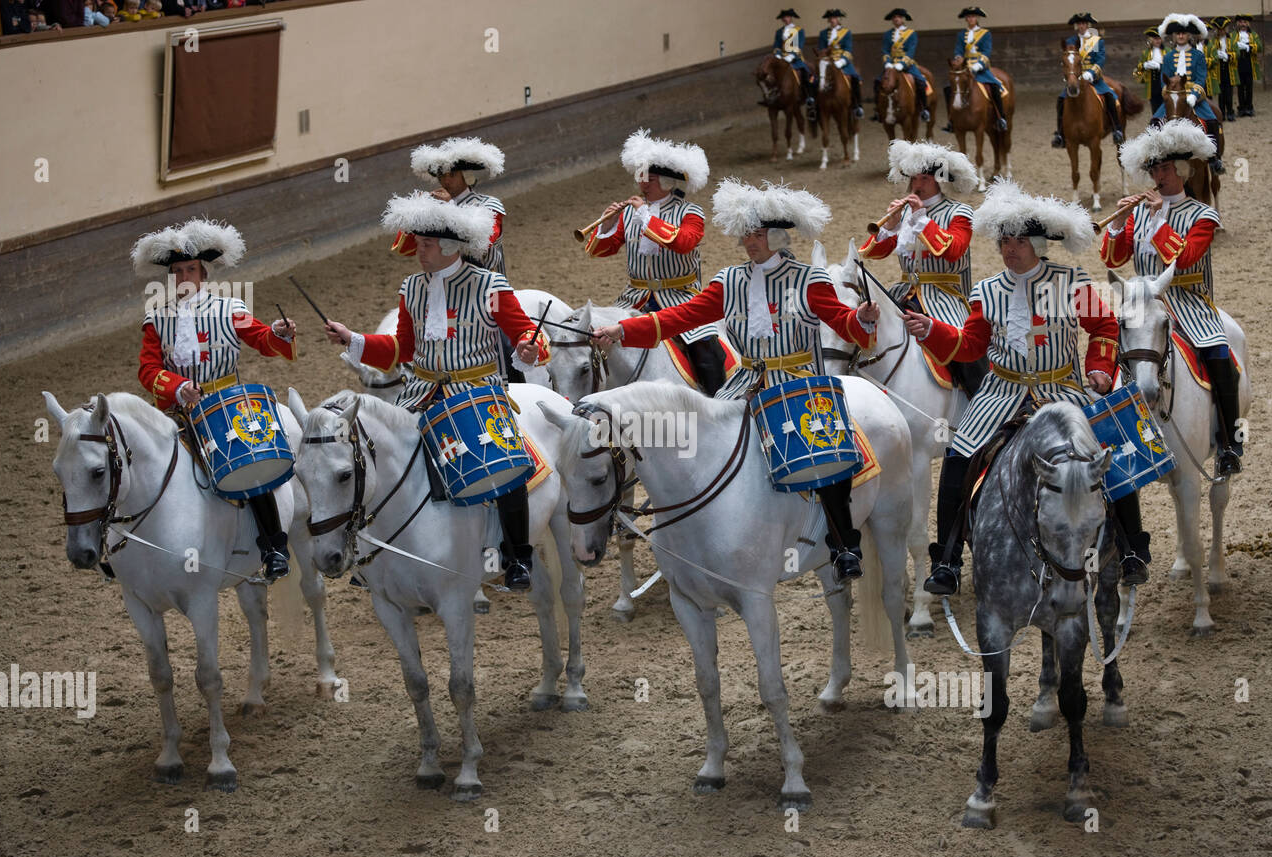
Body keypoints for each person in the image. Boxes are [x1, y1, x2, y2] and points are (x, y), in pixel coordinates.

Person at [590, 180, 878, 580]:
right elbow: (681, 316)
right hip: (745, 378)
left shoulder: (809, 280)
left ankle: (845, 544)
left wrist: (861, 319)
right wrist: (623, 331)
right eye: (746, 234)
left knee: (823, 451)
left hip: (798, 379)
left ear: (777, 235)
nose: (750, 242)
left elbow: (844, 325)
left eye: (758, 234)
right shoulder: (729, 281)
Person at [900, 180, 1149, 594]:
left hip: (1061, 388)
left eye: (1018, 241)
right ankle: (946, 560)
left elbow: (1104, 326)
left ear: (1037, 243)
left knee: (1110, 443)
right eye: (1004, 241)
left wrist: (1101, 368)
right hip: (1002, 391)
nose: (1009, 249)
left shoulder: (1073, 282)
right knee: (960, 453)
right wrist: (930, 329)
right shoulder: (986, 291)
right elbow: (970, 345)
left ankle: (1131, 548)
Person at [321, 192, 550, 591]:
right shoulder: (412, 288)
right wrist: (353, 339)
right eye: (418, 243)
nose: (418, 251)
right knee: (381, 454)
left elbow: (527, 332)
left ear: (448, 246)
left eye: (425, 245)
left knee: (504, 463)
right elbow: (401, 350)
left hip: (476, 390)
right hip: (422, 390)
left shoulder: (489, 285)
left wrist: (531, 346)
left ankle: (518, 557)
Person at [132, 218, 297, 582]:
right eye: (177, 271)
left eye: (190, 269)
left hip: (225, 406)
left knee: (250, 461)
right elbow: (147, 370)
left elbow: (262, 340)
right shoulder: (156, 318)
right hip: (177, 412)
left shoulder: (229, 309)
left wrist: (278, 332)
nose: (184, 276)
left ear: (203, 274)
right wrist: (177, 387)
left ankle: (274, 547)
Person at [1104, 119, 1242, 477]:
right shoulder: (1136, 213)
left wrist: (1158, 217)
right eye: (1154, 169)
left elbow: (1184, 258)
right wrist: (1118, 224)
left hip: (1189, 302)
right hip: (1145, 299)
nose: (1158, 175)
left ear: (1181, 170)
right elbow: (1113, 260)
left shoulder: (1203, 215)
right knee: (1115, 346)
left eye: (1165, 168)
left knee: (1217, 351)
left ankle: (1230, 442)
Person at [584, 129, 727, 398]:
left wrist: (645, 217)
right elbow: (599, 251)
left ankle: (717, 399)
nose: (643, 183)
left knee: (704, 348)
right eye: (642, 177)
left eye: (649, 178)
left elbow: (684, 242)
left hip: (680, 296)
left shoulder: (690, 212)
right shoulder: (629, 212)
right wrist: (608, 225)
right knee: (595, 341)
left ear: (667, 180)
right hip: (634, 296)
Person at [859, 140, 987, 397]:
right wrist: (891, 226)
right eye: (914, 177)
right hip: (903, 292)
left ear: (939, 180)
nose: (917, 183)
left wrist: (921, 219)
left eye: (924, 178)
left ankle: (981, 398)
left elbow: (953, 250)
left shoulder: (959, 212)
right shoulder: (904, 214)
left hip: (945, 296)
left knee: (967, 348)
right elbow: (871, 252)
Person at [407, 137, 519, 378]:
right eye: (441, 176)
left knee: (502, 338)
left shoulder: (490, 206)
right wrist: (416, 215)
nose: (445, 181)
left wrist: (450, 209)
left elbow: (481, 241)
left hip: (489, 290)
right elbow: (406, 246)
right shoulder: (434, 207)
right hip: (443, 288)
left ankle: (517, 381)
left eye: (451, 175)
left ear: (466, 176)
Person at [1154, 14, 1225, 173]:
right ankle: (1154, 158)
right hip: (1174, 97)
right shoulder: (1168, 57)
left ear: (1189, 35)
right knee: (1154, 121)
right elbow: (1163, 82)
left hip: (1195, 97)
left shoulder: (1198, 55)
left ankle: (1215, 159)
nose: (1180, 36)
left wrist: (1193, 95)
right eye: (1178, 33)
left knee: (1212, 121)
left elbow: (1201, 79)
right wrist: (1169, 95)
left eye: (1184, 33)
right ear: (1173, 35)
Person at [1053, 13, 1124, 147]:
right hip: (1075, 79)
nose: (1082, 26)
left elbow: (1100, 59)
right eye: (1079, 24)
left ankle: (1117, 130)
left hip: (1093, 79)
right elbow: (1067, 59)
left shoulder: (1096, 41)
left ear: (1088, 25)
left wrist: (1091, 73)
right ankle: (1060, 134)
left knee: (1110, 97)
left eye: (1084, 23)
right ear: (1076, 26)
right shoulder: (1069, 42)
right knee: (1061, 100)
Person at [942, 6, 1007, 133]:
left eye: (973, 16)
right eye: (969, 16)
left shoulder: (985, 34)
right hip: (964, 68)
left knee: (994, 87)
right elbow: (958, 50)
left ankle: (1001, 119)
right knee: (948, 88)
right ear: (966, 19)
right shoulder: (961, 34)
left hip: (980, 68)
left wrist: (977, 66)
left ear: (977, 18)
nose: (971, 18)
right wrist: (958, 58)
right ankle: (951, 120)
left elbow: (986, 52)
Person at [874, 8, 931, 123]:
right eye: (894, 17)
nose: (896, 19)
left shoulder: (911, 34)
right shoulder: (887, 34)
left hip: (907, 65)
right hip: (891, 65)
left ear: (903, 18)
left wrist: (902, 64)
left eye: (899, 17)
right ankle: (878, 110)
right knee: (877, 82)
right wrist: (888, 63)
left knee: (921, 81)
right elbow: (885, 50)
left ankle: (924, 109)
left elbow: (911, 51)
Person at [816, 8, 865, 118]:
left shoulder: (846, 33)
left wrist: (842, 61)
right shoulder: (823, 33)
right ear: (828, 20)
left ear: (839, 19)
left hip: (842, 61)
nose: (832, 20)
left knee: (855, 79)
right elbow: (821, 49)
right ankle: (815, 107)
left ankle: (858, 106)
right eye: (831, 18)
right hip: (827, 61)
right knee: (815, 79)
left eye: (834, 18)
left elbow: (848, 50)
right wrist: (824, 56)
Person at [767, 8, 816, 110]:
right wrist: (778, 54)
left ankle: (809, 96)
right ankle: (772, 94)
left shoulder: (799, 30)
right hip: (782, 58)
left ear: (791, 18)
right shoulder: (779, 32)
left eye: (788, 17)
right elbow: (776, 46)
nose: (786, 19)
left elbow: (799, 46)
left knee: (805, 73)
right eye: (784, 17)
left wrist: (792, 56)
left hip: (795, 58)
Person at [1204, 18, 1237, 122]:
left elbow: (1237, 53)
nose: (1221, 31)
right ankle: (1221, 112)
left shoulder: (1232, 40)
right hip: (1217, 70)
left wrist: (1228, 55)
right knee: (1220, 93)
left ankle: (1230, 112)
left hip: (1229, 67)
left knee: (1229, 92)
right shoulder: (1212, 41)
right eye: (1219, 29)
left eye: (1223, 29)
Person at [1233, 14, 1263, 117]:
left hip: (1249, 62)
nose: (1243, 24)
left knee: (1249, 86)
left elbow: (1259, 47)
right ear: (1238, 23)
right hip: (1238, 63)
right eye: (1241, 22)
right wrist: (1236, 47)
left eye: (1245, 22)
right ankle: (1241, 108)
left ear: (1248, 24)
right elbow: (1230, 46)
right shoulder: (1233, 35)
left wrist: (1248, 47)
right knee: (1240, 87)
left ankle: (1249, 107)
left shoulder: (1253, 35)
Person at [1133, 27, 1166, 115]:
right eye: (1155, 39)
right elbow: (1137, 70)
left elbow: (1172, 67)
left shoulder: (1168, 51)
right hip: (1152, 86)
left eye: (1159, 38)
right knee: (1155, 109)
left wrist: (1160, 66)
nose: (1158, 41)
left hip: (1165, 85)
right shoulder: (1146, 53)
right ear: (1151, 40)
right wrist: (1144, 66)